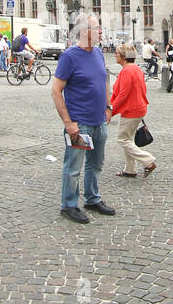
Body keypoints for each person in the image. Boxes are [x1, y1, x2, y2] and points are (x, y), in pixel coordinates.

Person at [54, 14, 115, 222]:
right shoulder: (69, 57)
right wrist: (68, 123)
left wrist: (108, 106)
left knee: (96, 163)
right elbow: (56, 91)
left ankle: (92, 198)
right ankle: (68, 205)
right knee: (73, 167)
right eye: (97, 28)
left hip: (99, 121)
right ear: (84, 32)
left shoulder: (98, 53)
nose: (100, 31)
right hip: (79, 124)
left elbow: (104, 80)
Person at [107, 42, 155, 178]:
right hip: (138, 108)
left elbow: (123, 94)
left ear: (122, 56)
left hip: (131, 110)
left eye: (117, 53)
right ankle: (130, 169)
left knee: (123, 139)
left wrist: (111, 110)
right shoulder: (135, 68)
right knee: (129, 139)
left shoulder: (128, 71)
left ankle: (148, 160)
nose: (115, 55)